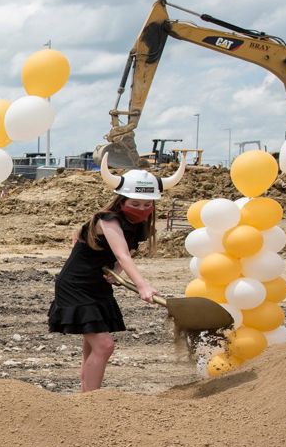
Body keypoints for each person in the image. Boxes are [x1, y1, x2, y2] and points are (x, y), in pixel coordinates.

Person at [48, 153, 185, 392]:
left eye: (147, 204)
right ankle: (93, 402)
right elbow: (123, 253)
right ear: (121, 201)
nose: (142, 209)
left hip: (98, 285)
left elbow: (121, 256)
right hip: (76, 286)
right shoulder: (107, 220)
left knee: (91, 347)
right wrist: (143, 285)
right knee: (104, 346)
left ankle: (84, 397)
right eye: (135, 203)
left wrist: (115, 272)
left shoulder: (136, 226)